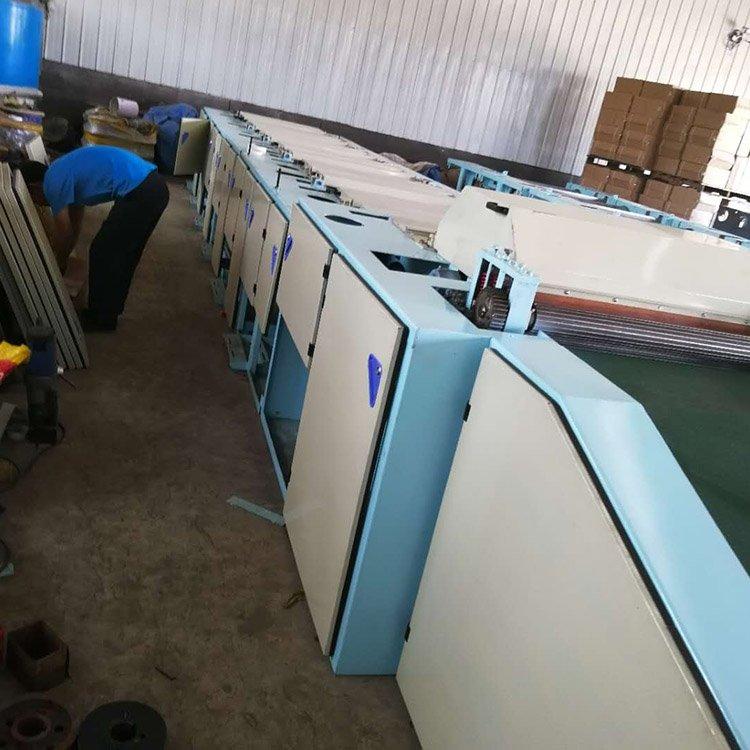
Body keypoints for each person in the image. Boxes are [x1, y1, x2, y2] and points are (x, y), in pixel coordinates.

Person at [19, 146, 170, 332]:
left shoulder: (52, 182)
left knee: (103, 251)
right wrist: (64, 260)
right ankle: (108, 314)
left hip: (141, 191)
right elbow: (74, 226)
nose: (40, 205)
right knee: (123, 255)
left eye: (34, 200)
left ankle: (100, 317)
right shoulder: (62, 173)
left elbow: (64, 232)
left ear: (33, 188)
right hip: (154, 187)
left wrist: (58, 264)